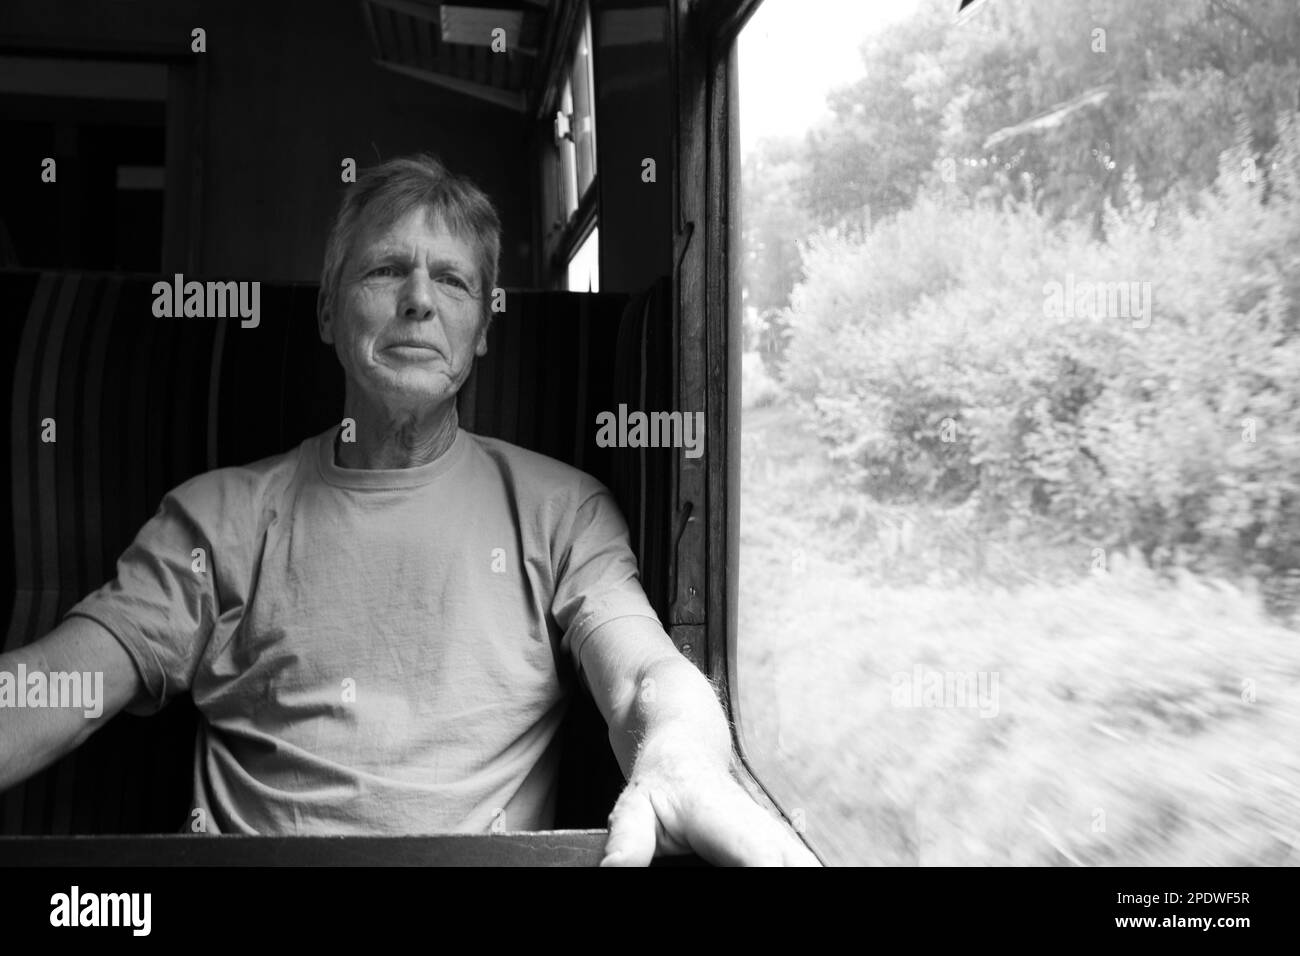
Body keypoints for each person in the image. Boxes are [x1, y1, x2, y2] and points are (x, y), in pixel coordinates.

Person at [0, 154, 816, 867]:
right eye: (386, 270)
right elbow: (61, 685)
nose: (419, 300)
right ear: (328, 311)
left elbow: (642, 674)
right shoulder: (217, 515)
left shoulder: (563, 510)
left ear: (482, 330)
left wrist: (686, 758)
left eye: (453, 280)